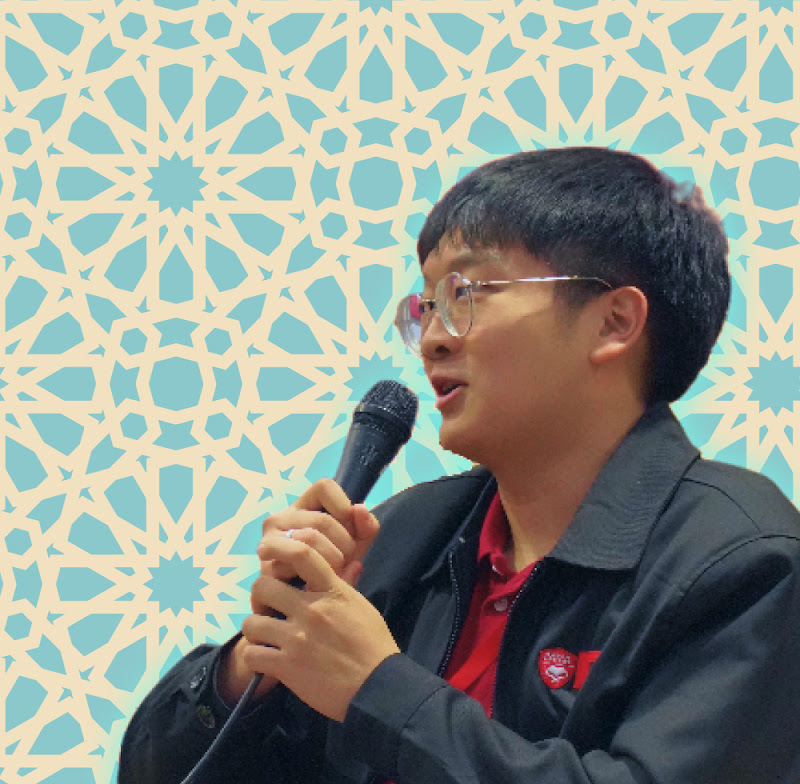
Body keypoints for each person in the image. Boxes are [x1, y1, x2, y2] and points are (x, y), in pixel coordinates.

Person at [119, 147, 800, 784]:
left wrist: (376, 688)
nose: (433, 340)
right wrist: (254, 666)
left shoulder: (744, 564)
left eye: (467, 294)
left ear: (614, 322)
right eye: (426, 307)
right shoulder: (402, 537)